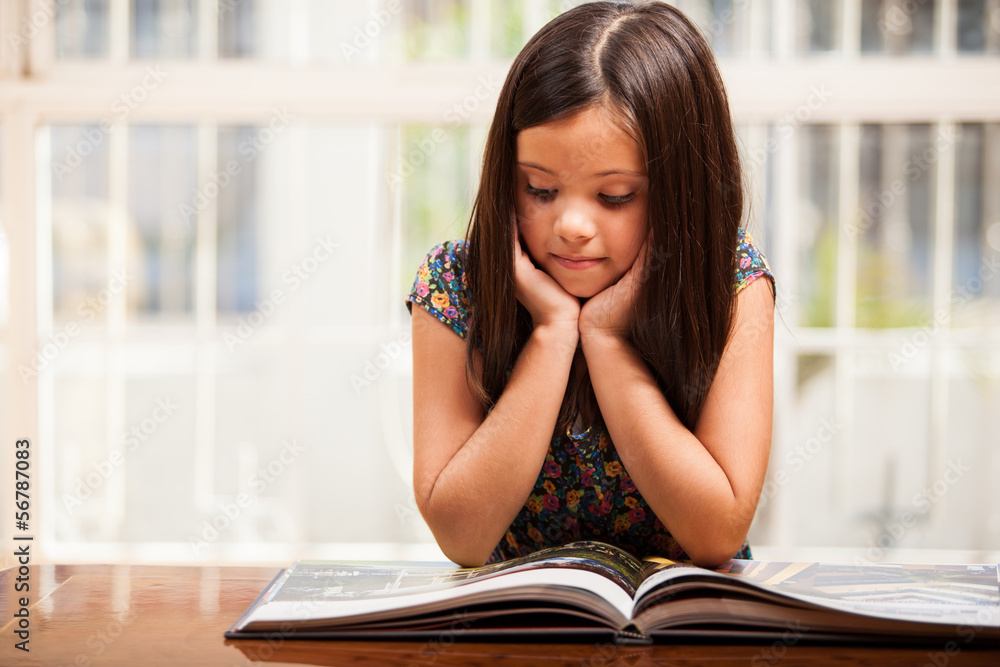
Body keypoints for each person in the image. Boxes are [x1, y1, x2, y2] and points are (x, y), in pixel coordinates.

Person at [407, 0, 774, 569]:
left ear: (682, 196)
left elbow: (716, 531)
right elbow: (460, 535)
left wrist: (606, 338)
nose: (572, 227)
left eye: (615, 196)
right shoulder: (456, 285)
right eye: (539, 189)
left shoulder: (729, 284)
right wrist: (553, 332)